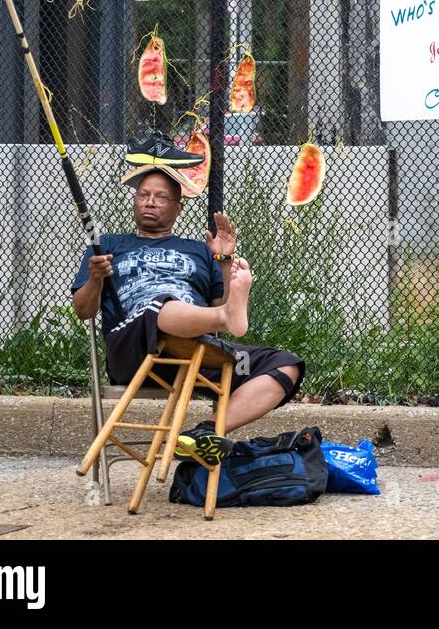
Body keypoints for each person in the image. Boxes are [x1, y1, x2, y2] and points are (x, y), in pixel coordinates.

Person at [71, 134, 305, 467]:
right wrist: (96, 278)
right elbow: (84, 311)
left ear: (178, 208)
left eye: (161, 197)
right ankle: (224, 317)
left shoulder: (198, 251)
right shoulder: (107, 245)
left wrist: (224, 260)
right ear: (134, 201)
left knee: (286, 364)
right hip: (135, 350)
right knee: (160, 304)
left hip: (195, 353)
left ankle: (204, 432)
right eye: (143, 195)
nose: (150, 202)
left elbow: (222, 303)